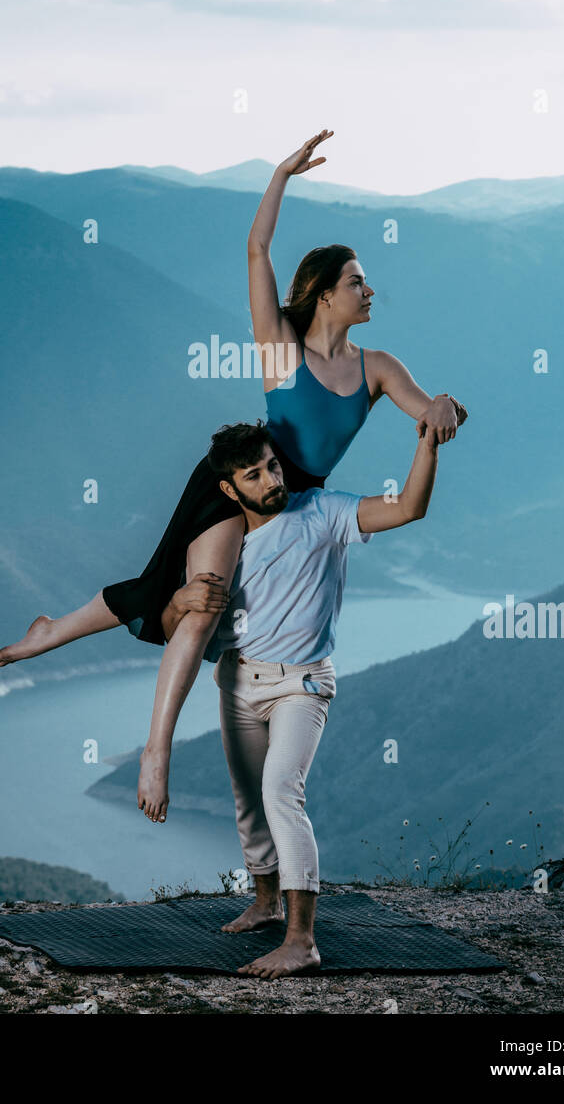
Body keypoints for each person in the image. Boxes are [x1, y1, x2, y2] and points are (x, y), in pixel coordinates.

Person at [0, 129, 468, 825]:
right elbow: (255, 251)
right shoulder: (280, 347)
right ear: (325, 295)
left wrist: (449, 408)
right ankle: (155, 751)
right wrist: (280, 175)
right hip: (241, 480)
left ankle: (50, 629)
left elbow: (431, 415)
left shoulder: (379, 367)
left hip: (290, 501)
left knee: (169, 594)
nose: (369, 290)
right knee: (197, 598)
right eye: (355, 281)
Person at [159, 417, 443, 980]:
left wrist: (427, 441)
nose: (270, 479)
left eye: (272, 465)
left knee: (281, 794)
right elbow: (174, 629)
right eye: (253, 474)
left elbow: (409, 507)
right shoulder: (220, 541)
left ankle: (301, 941)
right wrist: (179, 598)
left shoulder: (323, 512)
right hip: (237, 681)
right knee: (248, 800)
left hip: (302, 684)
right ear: (228, 488)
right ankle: (265, 904)